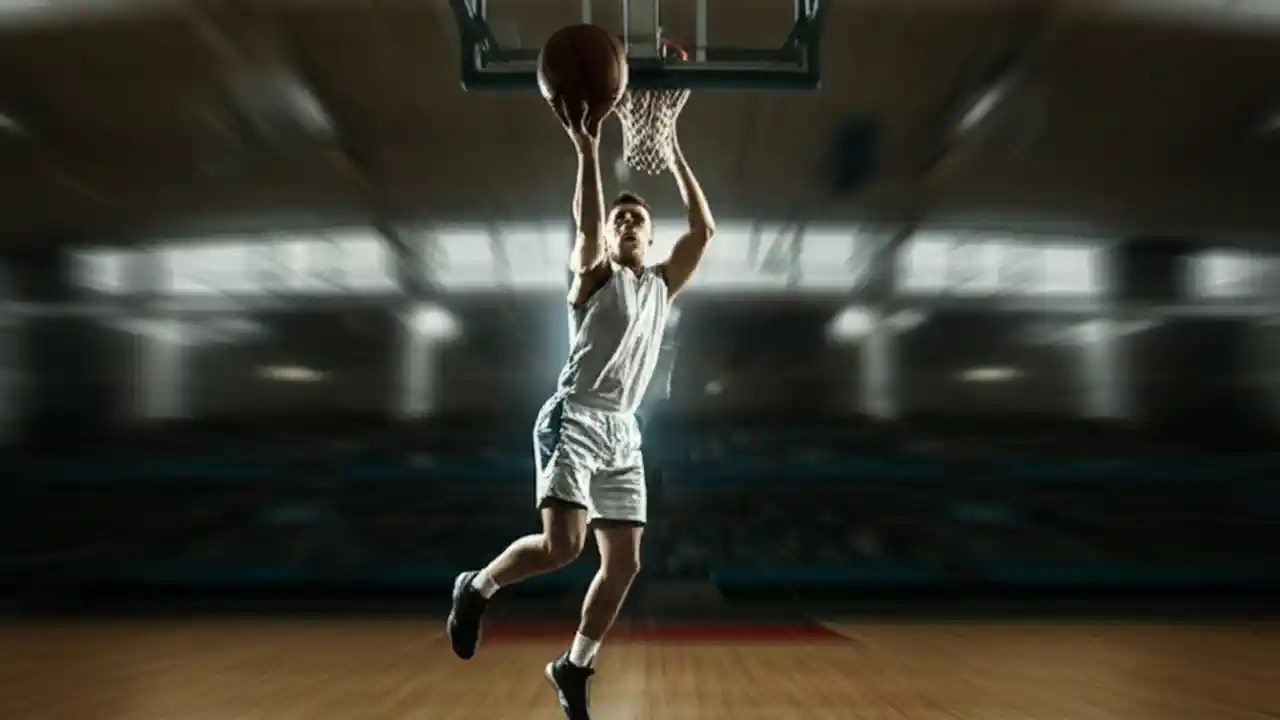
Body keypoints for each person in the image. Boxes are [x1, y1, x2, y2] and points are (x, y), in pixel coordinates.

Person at [446, 95, 715, 720]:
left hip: (624, 431)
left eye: (637, 219)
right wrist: (588, 149)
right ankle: (476, 587)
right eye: (621, 219)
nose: (627, 224)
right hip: (575, 416)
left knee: (624, 563)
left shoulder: (661, 285)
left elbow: (704, 231)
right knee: (563, 547)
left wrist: (673, 150)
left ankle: (574, 665)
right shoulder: (594, 276)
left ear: (650, 235)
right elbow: (587, 229)